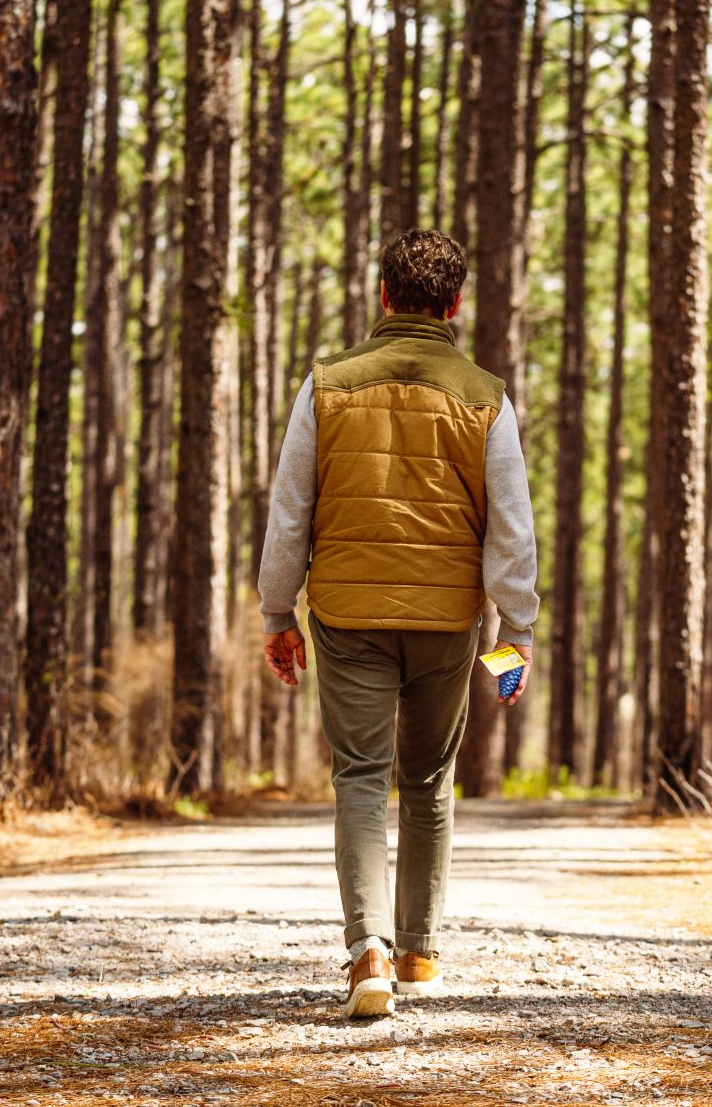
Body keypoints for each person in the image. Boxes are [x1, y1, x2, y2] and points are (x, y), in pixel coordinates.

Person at [257, 229, 539, 1019]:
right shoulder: (485, 395)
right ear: (454, 306)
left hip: (346, 612)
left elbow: (290, 515)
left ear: (383, 296)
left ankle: (367, 954)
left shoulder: (327, 385)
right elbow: (511, 530)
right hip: (450, 620)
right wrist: (516, 635)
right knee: (428, 780)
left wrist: (280, 612)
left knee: (358, 776)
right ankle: (418, 952)